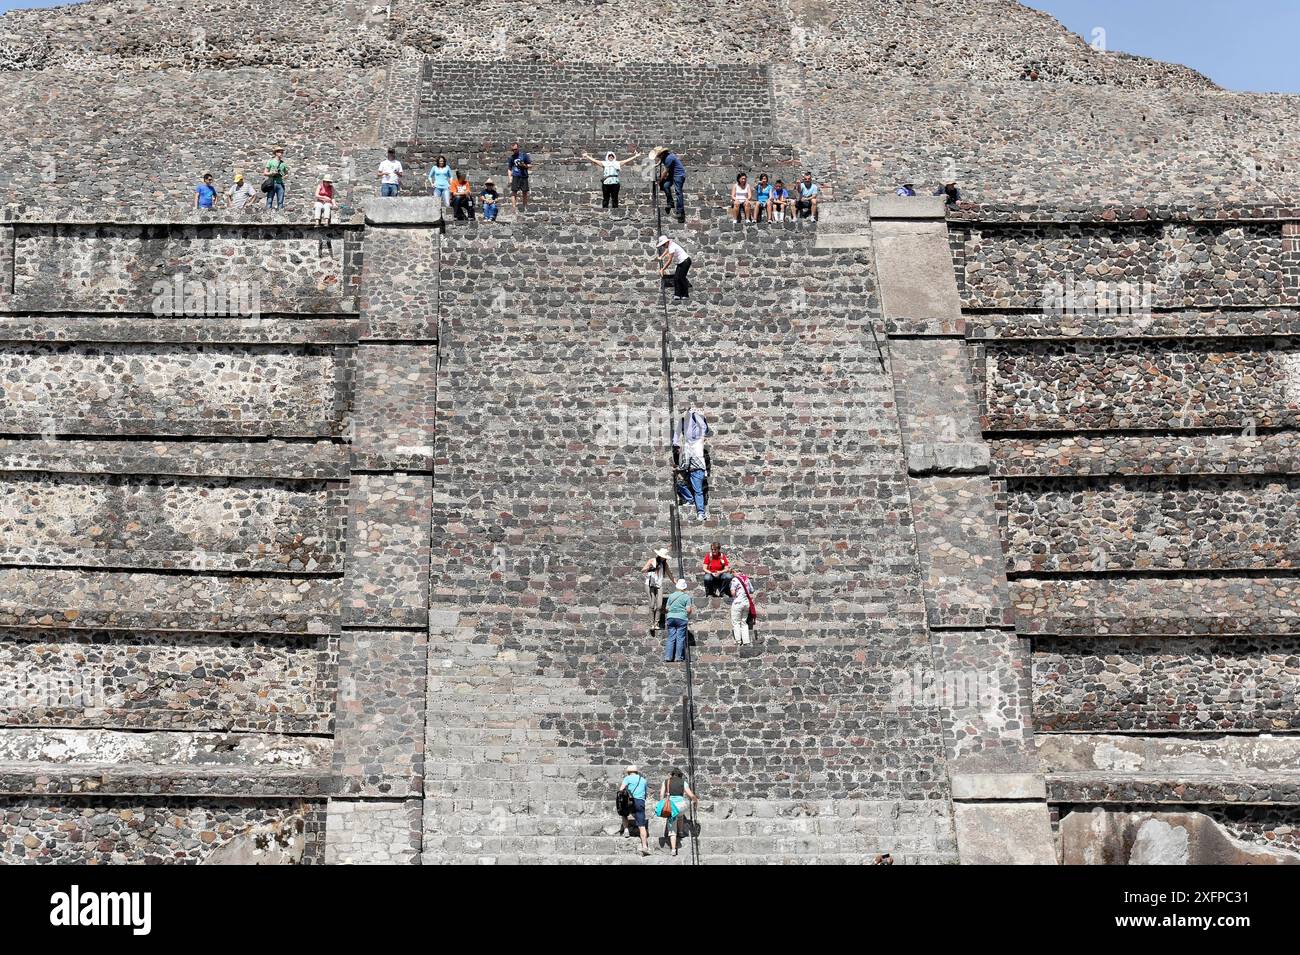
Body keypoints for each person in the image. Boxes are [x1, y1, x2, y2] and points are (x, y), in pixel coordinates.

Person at [673, 405, 709, 521]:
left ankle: (701, 513)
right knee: (680, 483)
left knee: (698, 491)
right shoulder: (689, 445)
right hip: (692, 470)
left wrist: (692, 413)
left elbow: (703, 427)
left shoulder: (696, 443)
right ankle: (689, 499)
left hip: (697, 470)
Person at [654, 769, 699, 857]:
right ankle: (681, 832)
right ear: (680, 775)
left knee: (672, 828)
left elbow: (661, 795)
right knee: (680, 814)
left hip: (671, 807)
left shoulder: (666, 782)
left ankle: (673, 849)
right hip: (682, 806)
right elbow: (690, 795)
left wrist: (662, 804)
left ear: (672, 774)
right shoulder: (683, 782)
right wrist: (695, 801)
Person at [641, 547, 677, 636]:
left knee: (660, 605)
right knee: (652, 604)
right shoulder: (652, 561)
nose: (663, 558)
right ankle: (652, 624)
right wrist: (650, 568)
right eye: (662, 557)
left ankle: (656, 623)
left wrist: (676, 582)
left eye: (664, 557)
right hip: (650, 585)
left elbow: (670, 574)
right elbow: (643, 570)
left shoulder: (665, 564)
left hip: (659, 585)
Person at [618, 765, 650, 855]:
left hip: (629, 801)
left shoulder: (627, 778)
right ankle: (644, 846)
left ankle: (626, 830)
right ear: (636, 772)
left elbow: (621, 790)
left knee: (624, 814)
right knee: (642, 825)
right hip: (640, 802)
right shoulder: (643, 780)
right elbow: (645, 793)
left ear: (629, 772)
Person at [663, 578, 693, 663]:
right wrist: (687, 614)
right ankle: (678, 657)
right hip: (681, 618)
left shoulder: (671, 596)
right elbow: (688, 610)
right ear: (684, 588)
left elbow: (667, 608)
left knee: (671, 638)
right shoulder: (686, 597)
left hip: (670, 618)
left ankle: (668, 657)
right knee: (680, 638)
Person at [656, 234, 691, 300]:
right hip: (681, 262)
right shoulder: (670, 244)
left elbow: (669, 261)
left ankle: (685, 295)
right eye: (662, 245)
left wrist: (662, 269)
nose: (663, 246)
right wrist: (661, 256)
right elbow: (667, 250)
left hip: (686, 262)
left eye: (663, 245)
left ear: (666, 242)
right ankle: (677, 295)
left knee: (682, 278)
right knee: (676, 278)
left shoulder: (672, 247)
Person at [656, 148, 686, 222]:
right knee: (665, 186)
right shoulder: (664, 157)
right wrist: (656, 164)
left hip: (679, 175)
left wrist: (660, 181)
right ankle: (670, 202)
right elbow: (661, 161)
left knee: (678, 192)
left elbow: (665, 172)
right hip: (672, 175)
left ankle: (680, 212)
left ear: (662, 154)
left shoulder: (669, 158)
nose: (658, 157)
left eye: (658, 156)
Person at [729, 568, 757, 646]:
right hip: (746, 603)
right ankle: (746, 641)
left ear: (735, 572)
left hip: (738, 603)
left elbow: (733, 593)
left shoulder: (734, 580)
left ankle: (738, 641)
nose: (732, 574)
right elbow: (752, 590)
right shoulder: (747, 579)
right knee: (744, 622)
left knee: (736, 622)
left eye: (732, 572)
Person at [507, 142, 531, 213]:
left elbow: (530, 165)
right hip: (516, 176)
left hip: (524, 175)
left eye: (515, 149)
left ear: (518, 148)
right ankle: (514, 208)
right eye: (513, 150)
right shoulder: (511, 158)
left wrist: (525, 166)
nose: (514, 151)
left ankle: (525, 207)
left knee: (525, 192)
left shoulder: (524, 155)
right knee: (514, 192)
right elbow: (509, 168)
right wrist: (510, 178)